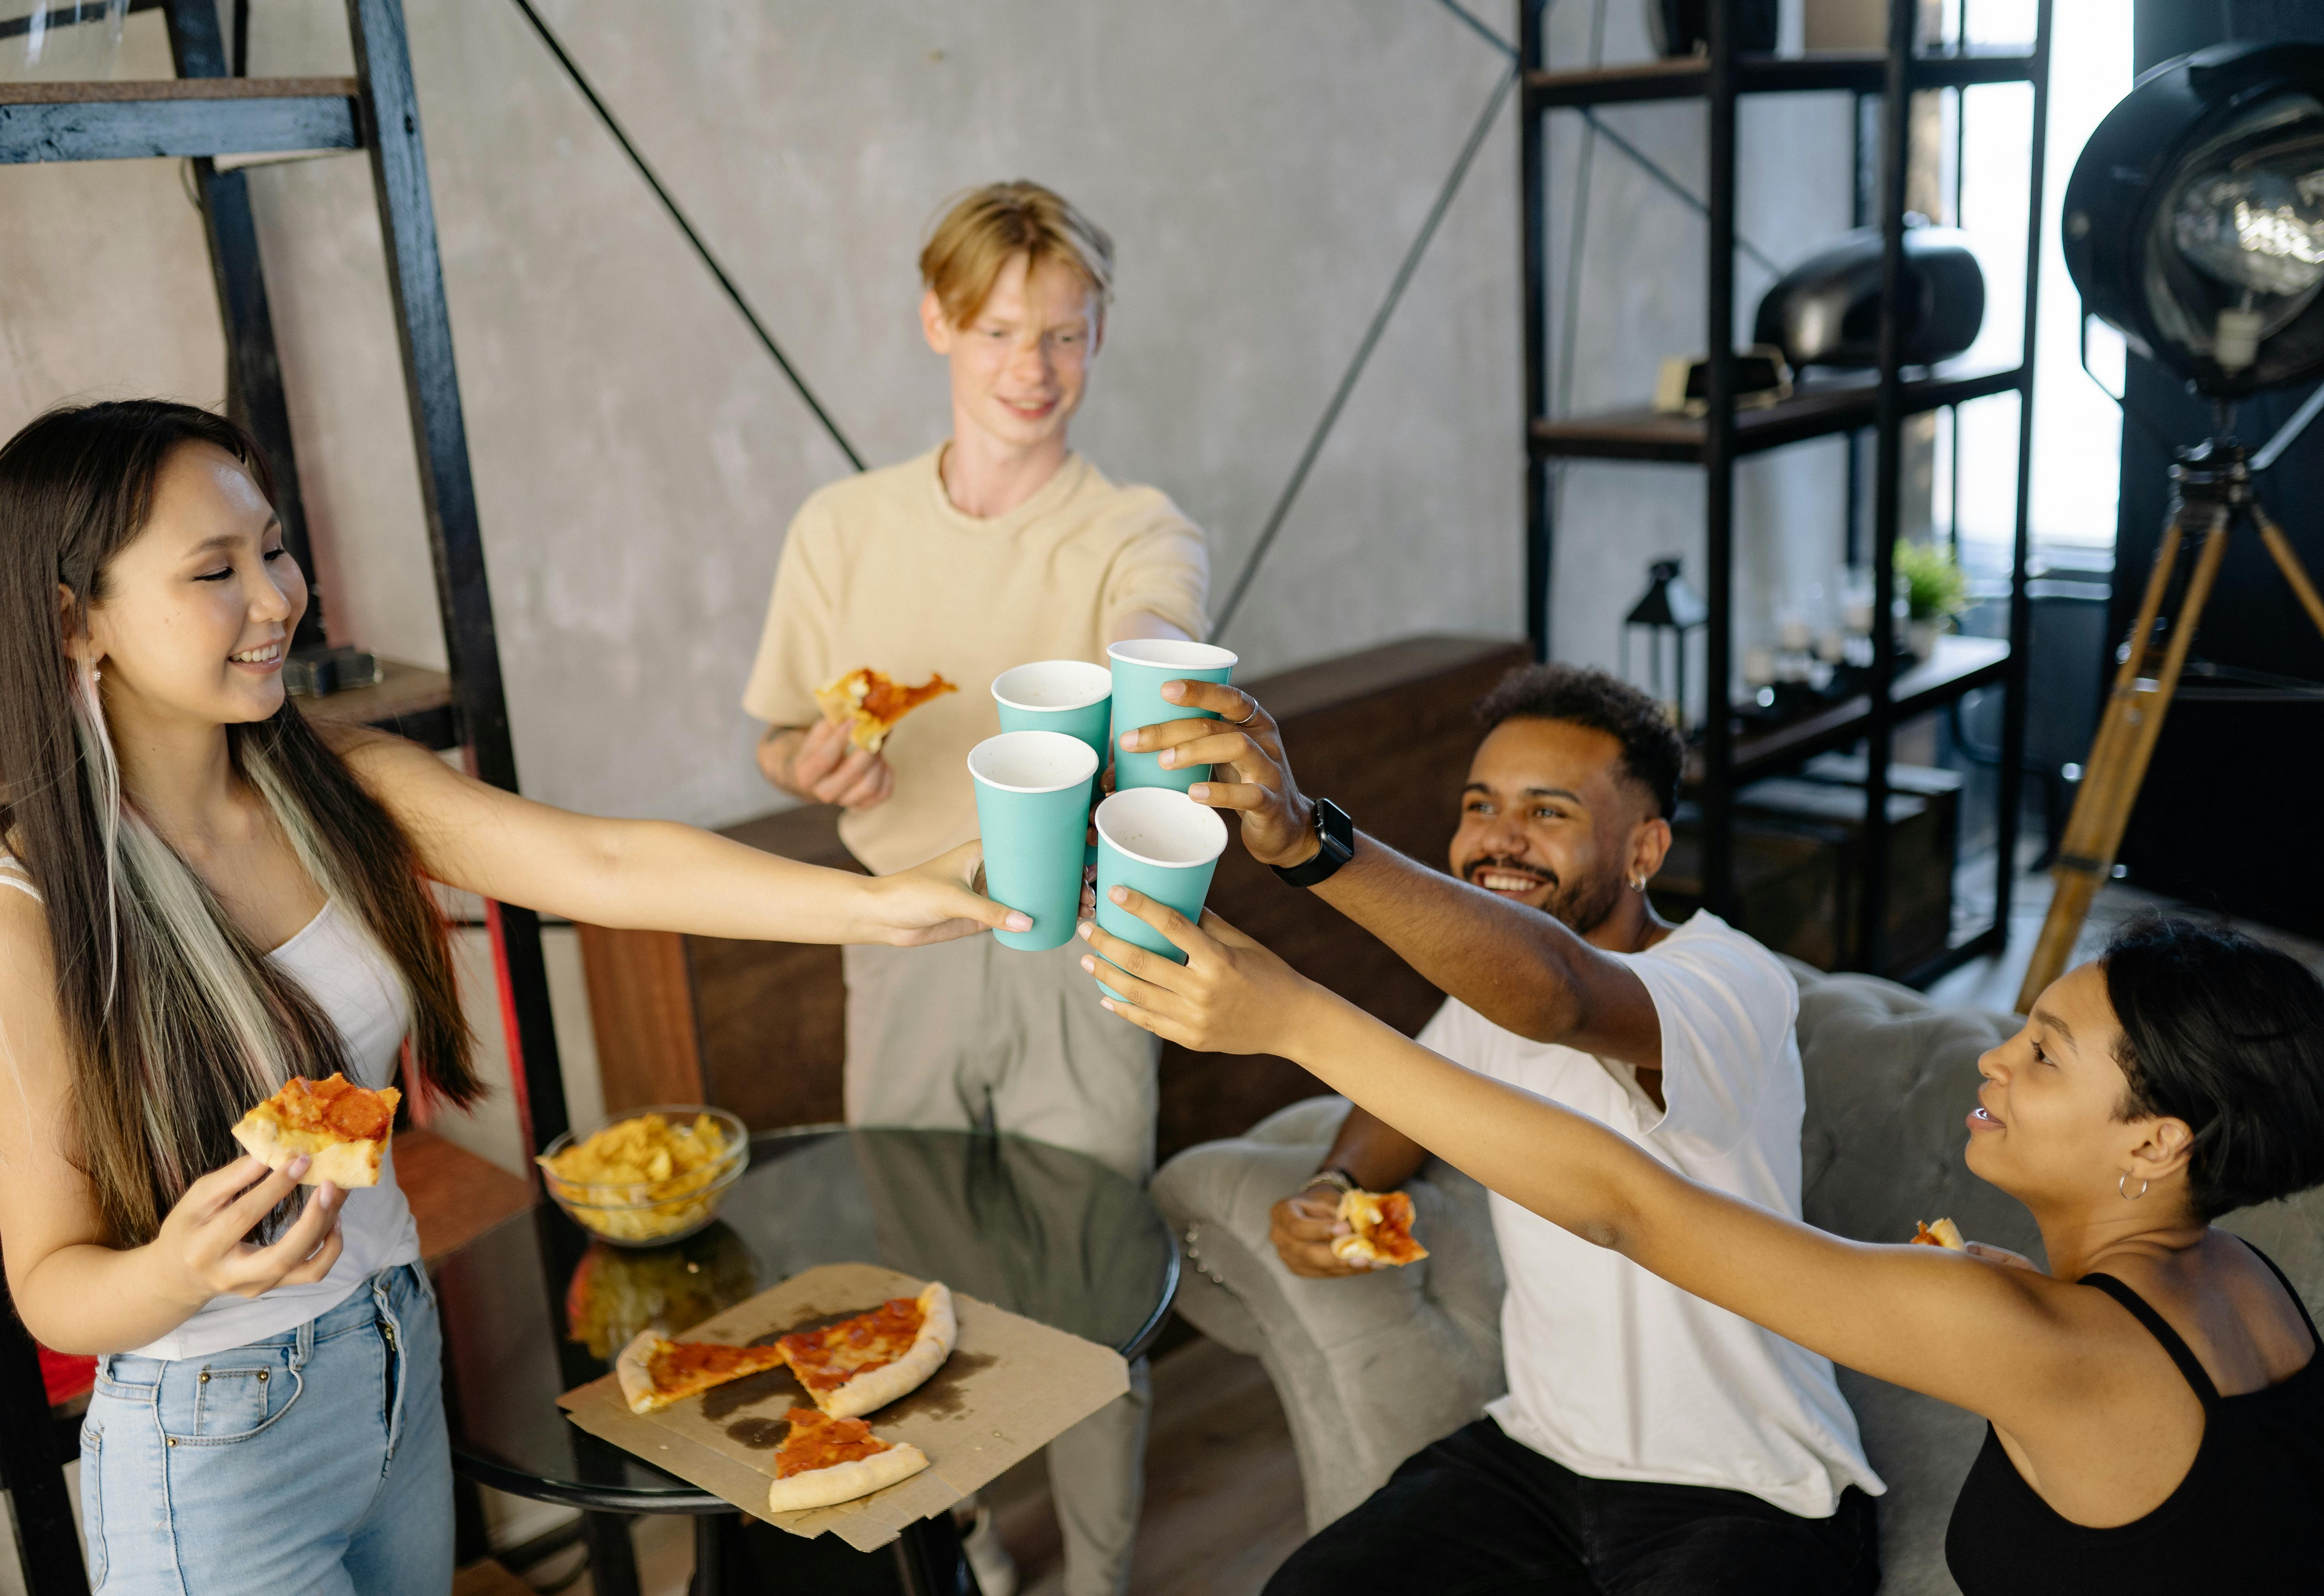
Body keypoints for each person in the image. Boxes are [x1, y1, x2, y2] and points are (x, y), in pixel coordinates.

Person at [0, 401, 1029, 1594]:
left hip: (396, 1365)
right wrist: (184, 1268)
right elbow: (49, 1288)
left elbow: (606, 863)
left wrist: (882, 904)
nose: (277, 598)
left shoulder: (333, 785)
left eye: (274, 550)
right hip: (208, 1448)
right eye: (216, 571)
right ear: (74, 621)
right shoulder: (16, 932)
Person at [1087, 881, 2324, 1584]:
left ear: (2159, 1144)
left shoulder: (2041, 1340)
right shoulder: (2245, 1284)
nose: (1995, 1058)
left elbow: (1628, 1207)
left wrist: (1295, 1019)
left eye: (2044, 1055)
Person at [1119, 663, 1881, 1592]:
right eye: (1480, 804)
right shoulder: (1482, 1000)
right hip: (1536, 1456)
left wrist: (1310, 840)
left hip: (1750, 1483)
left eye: (1548, 810)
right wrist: (1337, 1187)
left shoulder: (1729, 980)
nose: (1499, 836)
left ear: (1645, 847)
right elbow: (1396, 1106)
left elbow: (1558, 996)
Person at [741, 180, 1206, 1596]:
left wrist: (1149, 672)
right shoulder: (841, 527)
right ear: (937, 323)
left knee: (1094, 1280)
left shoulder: (1136, 526)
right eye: (1002, 331)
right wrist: (814, 762)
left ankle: (1101, 1579)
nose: (1033, 369)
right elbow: (780, 733)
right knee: (921, 1282)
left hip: (1085, 947)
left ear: (1099, 334)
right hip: (902, 943)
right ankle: (976, 1553)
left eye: (1065, 334)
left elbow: (1156, 634)